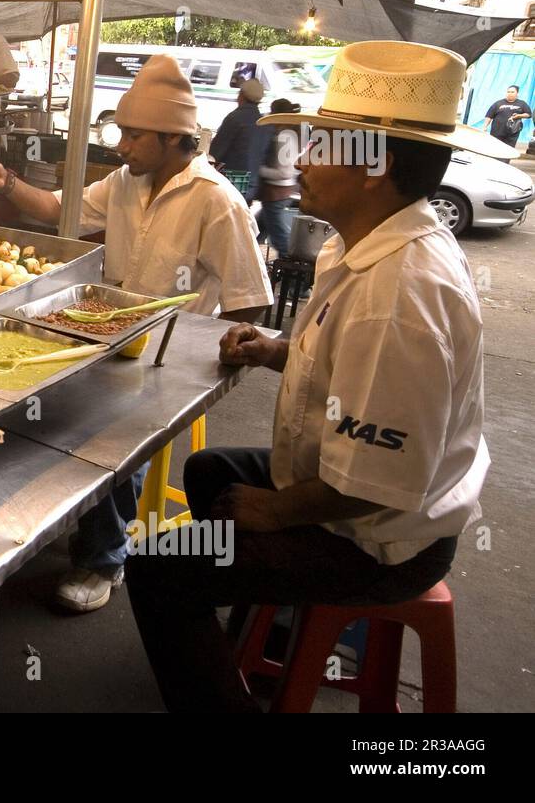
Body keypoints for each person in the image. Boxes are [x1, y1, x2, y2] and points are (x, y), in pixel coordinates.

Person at [126, 40, 520, 712]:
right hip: (362, 493)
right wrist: (278, 350)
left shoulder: (399, 296)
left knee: (157, 570)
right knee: (212, 472)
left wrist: (276, 510)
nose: (300, 162)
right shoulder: (369, 238)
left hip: (380, 543)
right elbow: (349, 369)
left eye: (321, 146)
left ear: (376, 165)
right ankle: (264, 630)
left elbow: (375, 483)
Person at [0, 54, 273, 611]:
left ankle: (104, 560)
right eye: (122, 134)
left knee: (109, 436)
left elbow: (249, 301)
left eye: (133, 136)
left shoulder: (217, 201)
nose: (122, 146)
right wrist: (8, 182)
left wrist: (201, 359)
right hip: (103, 336)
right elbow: (57, 210)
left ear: (173, 139)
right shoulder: (124, 183)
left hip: (167, 354)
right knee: (38, 405)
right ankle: (68, 516)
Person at [254, 98, 302, 254]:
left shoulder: (283, 138)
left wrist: (260, 169)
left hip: (276, 193)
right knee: (259, 228)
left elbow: (284, 172)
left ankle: (288, 264)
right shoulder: (290, 134)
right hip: (281, 191)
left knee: (279, 237)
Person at [209, 77, 264, 194]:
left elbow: (215, 152)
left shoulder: (235, 118)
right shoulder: (264, 122)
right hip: (252, 184)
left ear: (241, 96)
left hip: (231, 183)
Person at [482, 85, 531, 150]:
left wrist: (519, 116)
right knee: (494, 149)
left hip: (512, 133)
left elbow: (528, 114)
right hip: (497, 132)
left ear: (517, 93)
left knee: (508, 150)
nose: (510, 93)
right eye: (508, 92)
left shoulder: (522, 104)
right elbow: (489, 115)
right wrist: (485, 126)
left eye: (512, 92)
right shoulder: (498, 103)